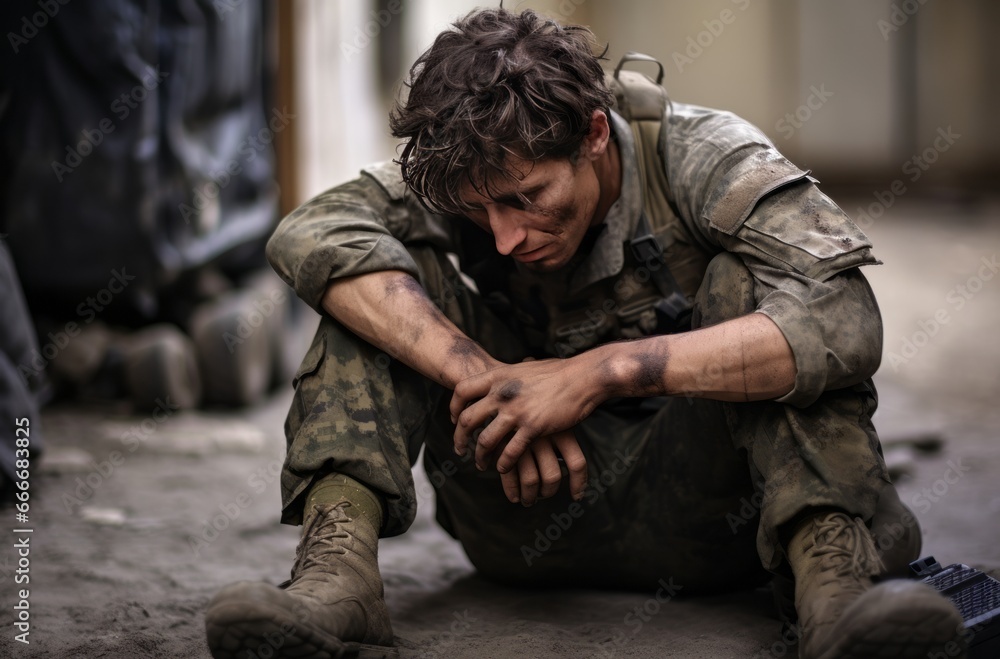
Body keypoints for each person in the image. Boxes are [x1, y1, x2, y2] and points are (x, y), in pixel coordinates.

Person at [205, 8, 966, 659]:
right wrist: (490, 380)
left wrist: (597, 373)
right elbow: (312, 230)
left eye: (526, 198)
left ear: (594, 133)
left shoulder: (700, 154)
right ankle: (337, 584)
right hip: (520, 510)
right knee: (372, 297)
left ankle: (835, 593)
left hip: (717, 521)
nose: (503, 237)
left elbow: (844, 317)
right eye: (480, 213)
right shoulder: (467, 168)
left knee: (761, 297)